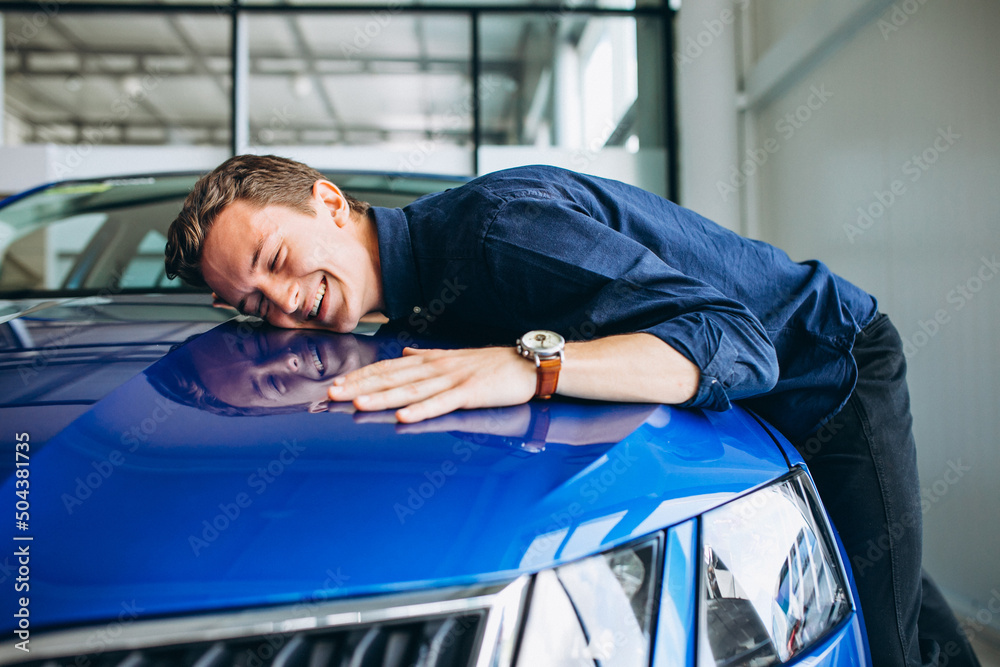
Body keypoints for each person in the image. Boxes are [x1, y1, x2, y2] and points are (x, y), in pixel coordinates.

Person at [165, 154, 979, 667]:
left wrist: (529, 366)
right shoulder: (412, 321)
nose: (280, 303)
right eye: (251, 302)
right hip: (742, 414)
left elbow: (736, 342)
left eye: (275, 259)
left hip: (825, 369)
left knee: (887, 642)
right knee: (902, 594)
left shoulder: (497, 231)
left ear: (331, 203)